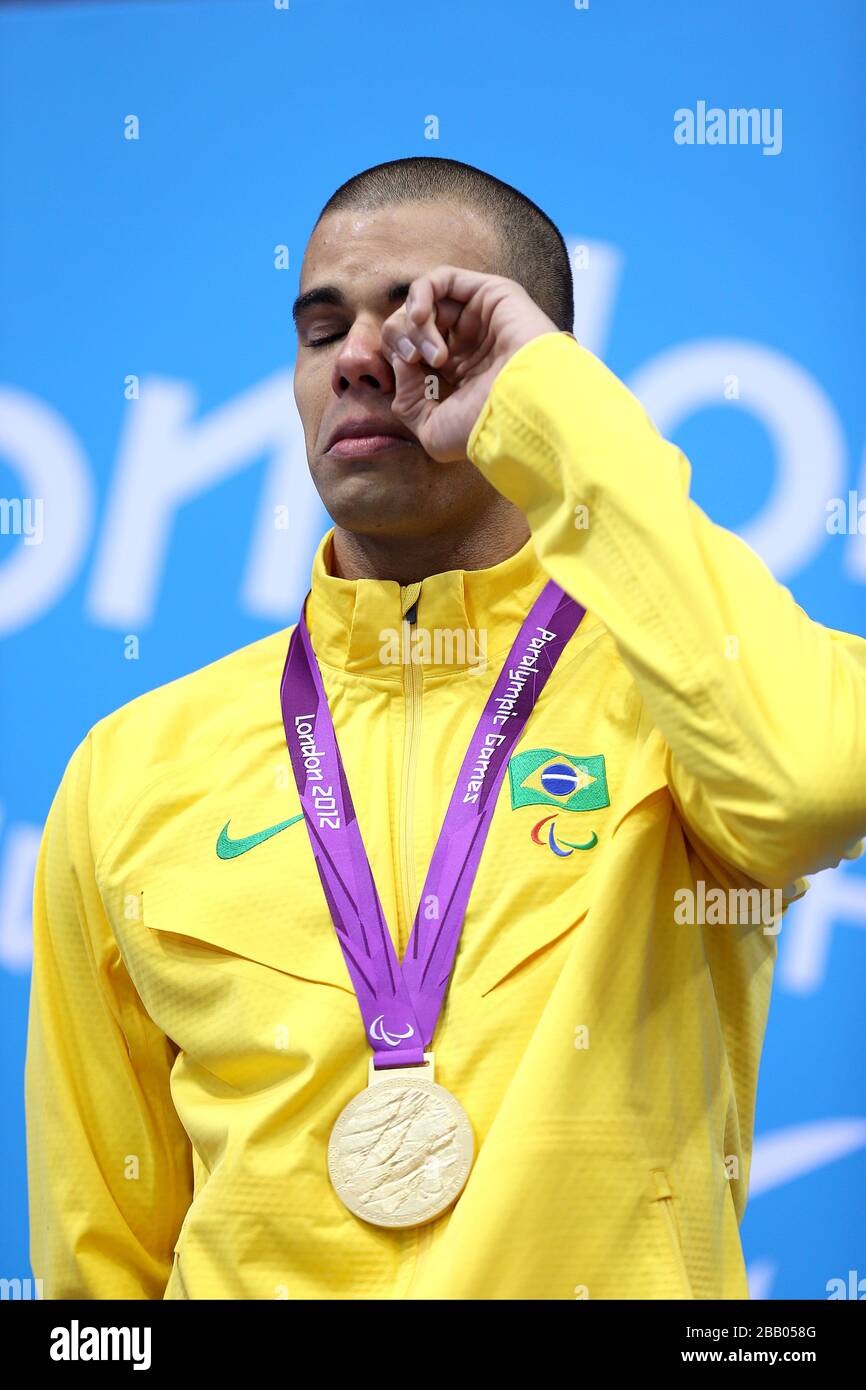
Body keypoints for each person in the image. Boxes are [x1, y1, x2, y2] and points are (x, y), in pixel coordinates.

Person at [25, 156, 865, 1301]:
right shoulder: (132, 765)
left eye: (424, 317)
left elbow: (814, 785)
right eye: (321, 330)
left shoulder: (683, 699)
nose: (358, 357)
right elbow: (99, 1266)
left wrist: (550, 417)